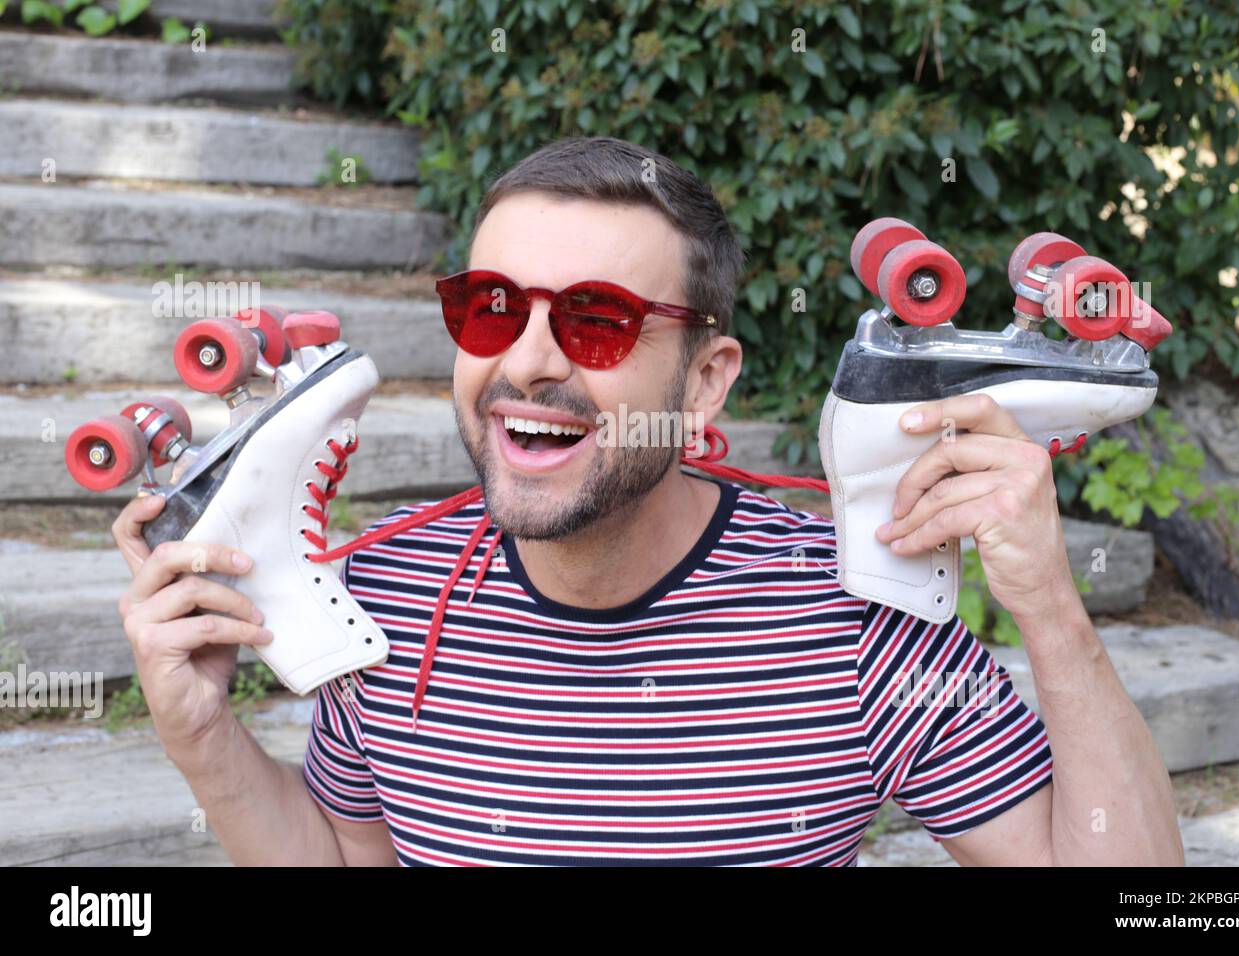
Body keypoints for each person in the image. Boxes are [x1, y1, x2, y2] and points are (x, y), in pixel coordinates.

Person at [111, 136, 1183, 866]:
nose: (526, 363)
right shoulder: (376, 606)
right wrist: (204, 738)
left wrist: (1049, 606)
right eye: (490, 309)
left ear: (708, 379)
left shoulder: (859, 617)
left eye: (596, 319)